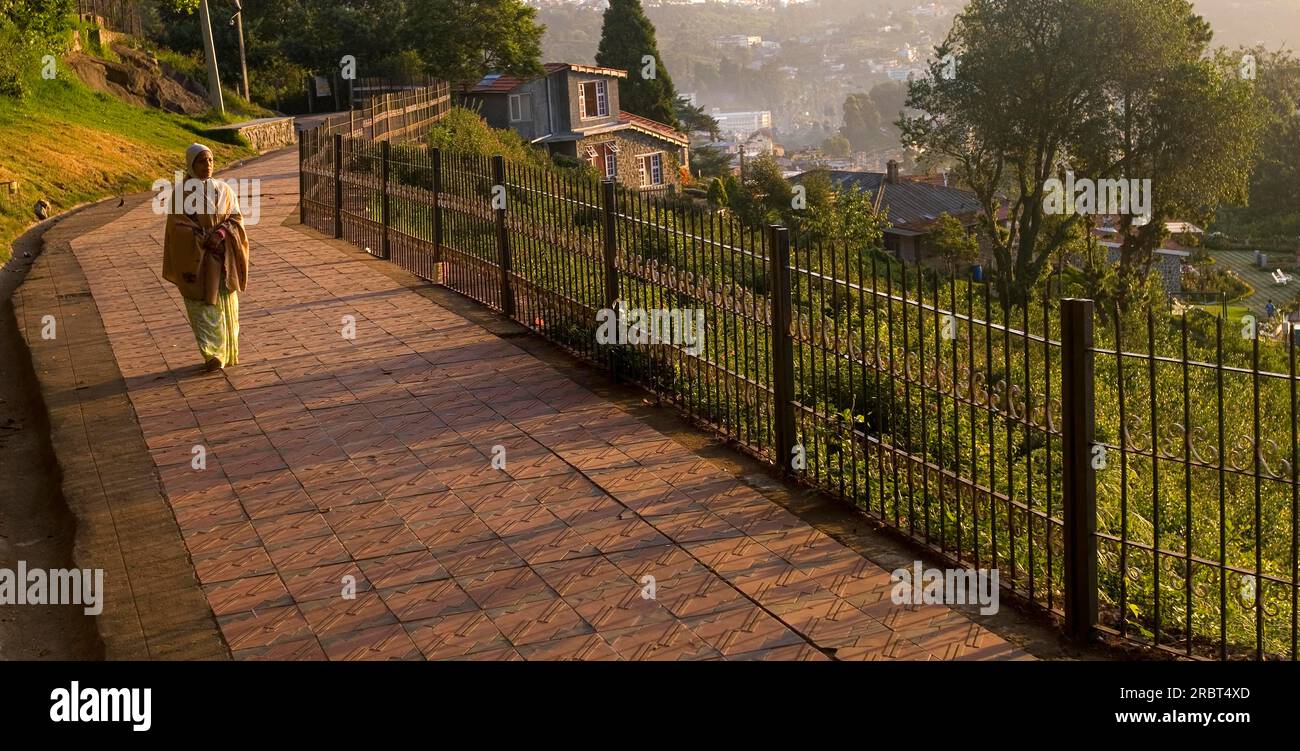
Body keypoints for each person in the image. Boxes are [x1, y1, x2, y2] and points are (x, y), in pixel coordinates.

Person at [162, 144, 249, 372]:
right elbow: (177, 227)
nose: (207, 165)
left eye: (210, 160)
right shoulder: (181, 194)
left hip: (222, 257)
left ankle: (227, 352)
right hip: (197, 260)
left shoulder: (223, 190)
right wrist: (201, 238)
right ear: (191, 164)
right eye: (202, 161)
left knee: (226, 304)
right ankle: (212, 354)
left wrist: (221, 234)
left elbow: (235, 217)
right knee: (203, 308)